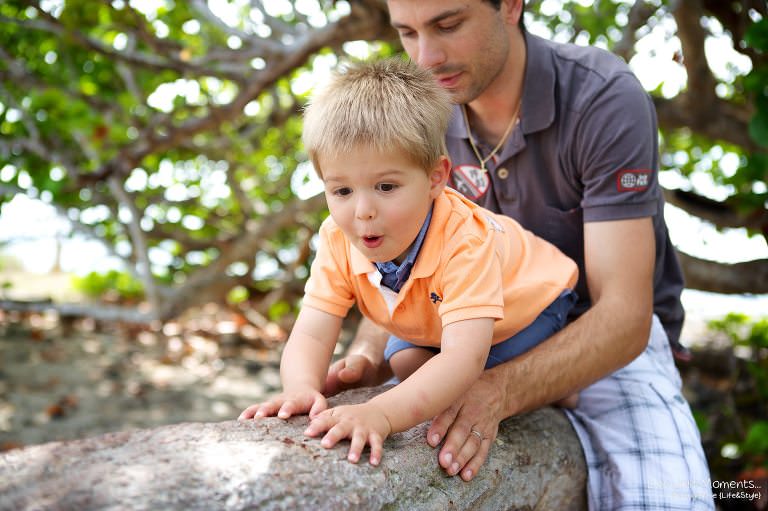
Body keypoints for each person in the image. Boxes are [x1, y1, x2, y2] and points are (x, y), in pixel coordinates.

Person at [324, 0, 715, 509]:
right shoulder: (418, 107)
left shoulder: (601, 97)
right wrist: (368, 352)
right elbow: (395, 260)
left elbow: (625, 314)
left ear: (511, 5)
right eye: (408, 33)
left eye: (448, 24)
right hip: (463, 324)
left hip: (602, 339)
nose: (427, 57)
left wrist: (500, 390)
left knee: (671, 500)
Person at [238, 58, 579, 466]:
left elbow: (462, 360)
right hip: (434, 315)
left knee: (465, 377)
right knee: (404, 362)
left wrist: (379, 412)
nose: (362, 211)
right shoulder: (337, 236)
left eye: (386, 186)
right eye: (342, 190)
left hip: (532, 301)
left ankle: (562, 385)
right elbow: (312, 331)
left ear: (436, 178)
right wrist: (300, 387)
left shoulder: (464, 240)